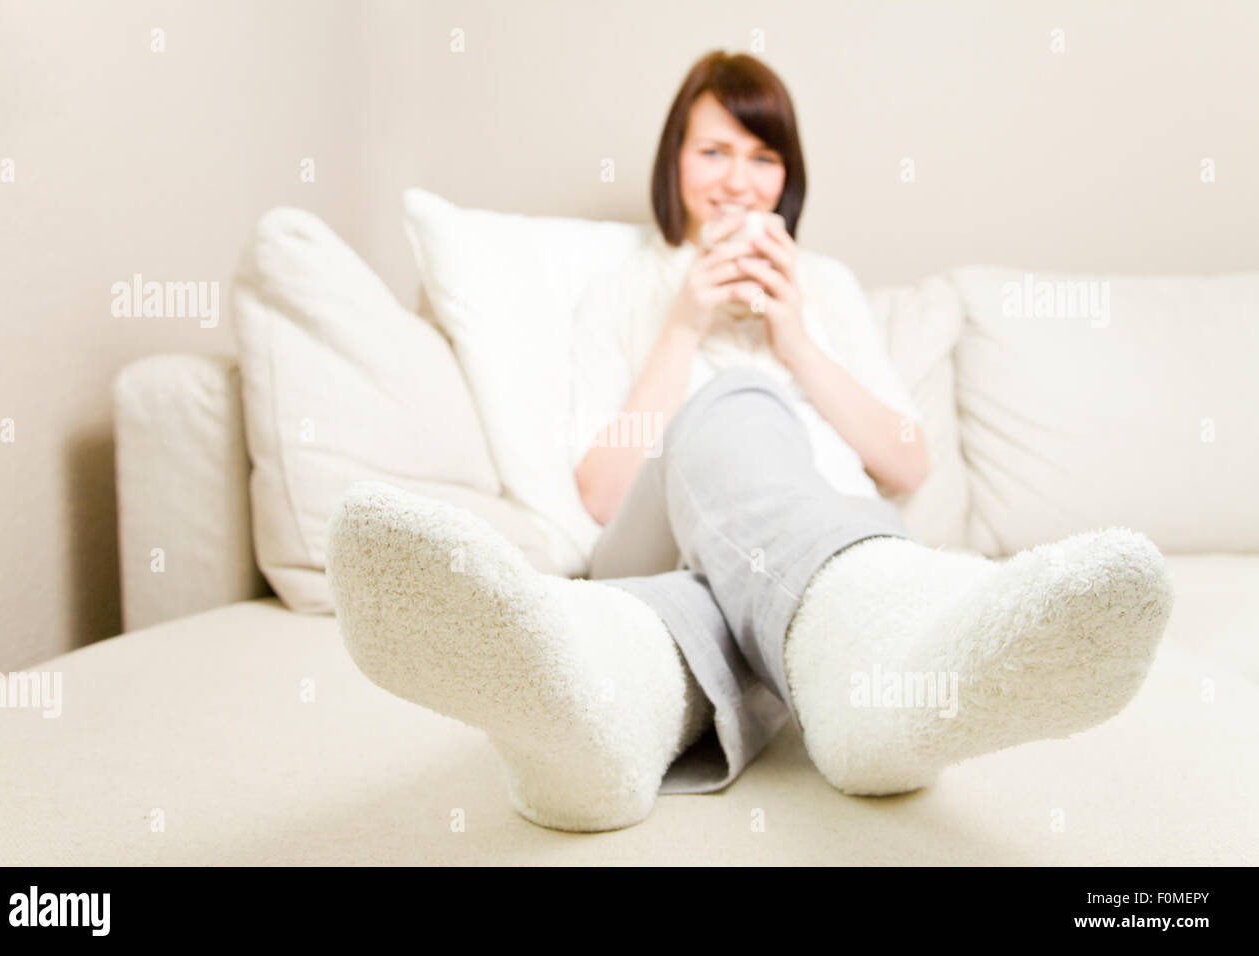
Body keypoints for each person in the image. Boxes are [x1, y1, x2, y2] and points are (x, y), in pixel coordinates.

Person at [325, 51, 1174, 833]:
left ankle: (610, 711)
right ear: (674, 166)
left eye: (763, 158)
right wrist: (685, 328)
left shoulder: (825, 286)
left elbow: (906, 462)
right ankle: (867, 654)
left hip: (799, 545)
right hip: (658, 541)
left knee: (702, 611)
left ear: (787, 181)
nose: (738, 180)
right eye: (714, 153)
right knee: (735, 403)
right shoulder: (625, 292)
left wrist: (796, 336)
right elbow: (600, 493)